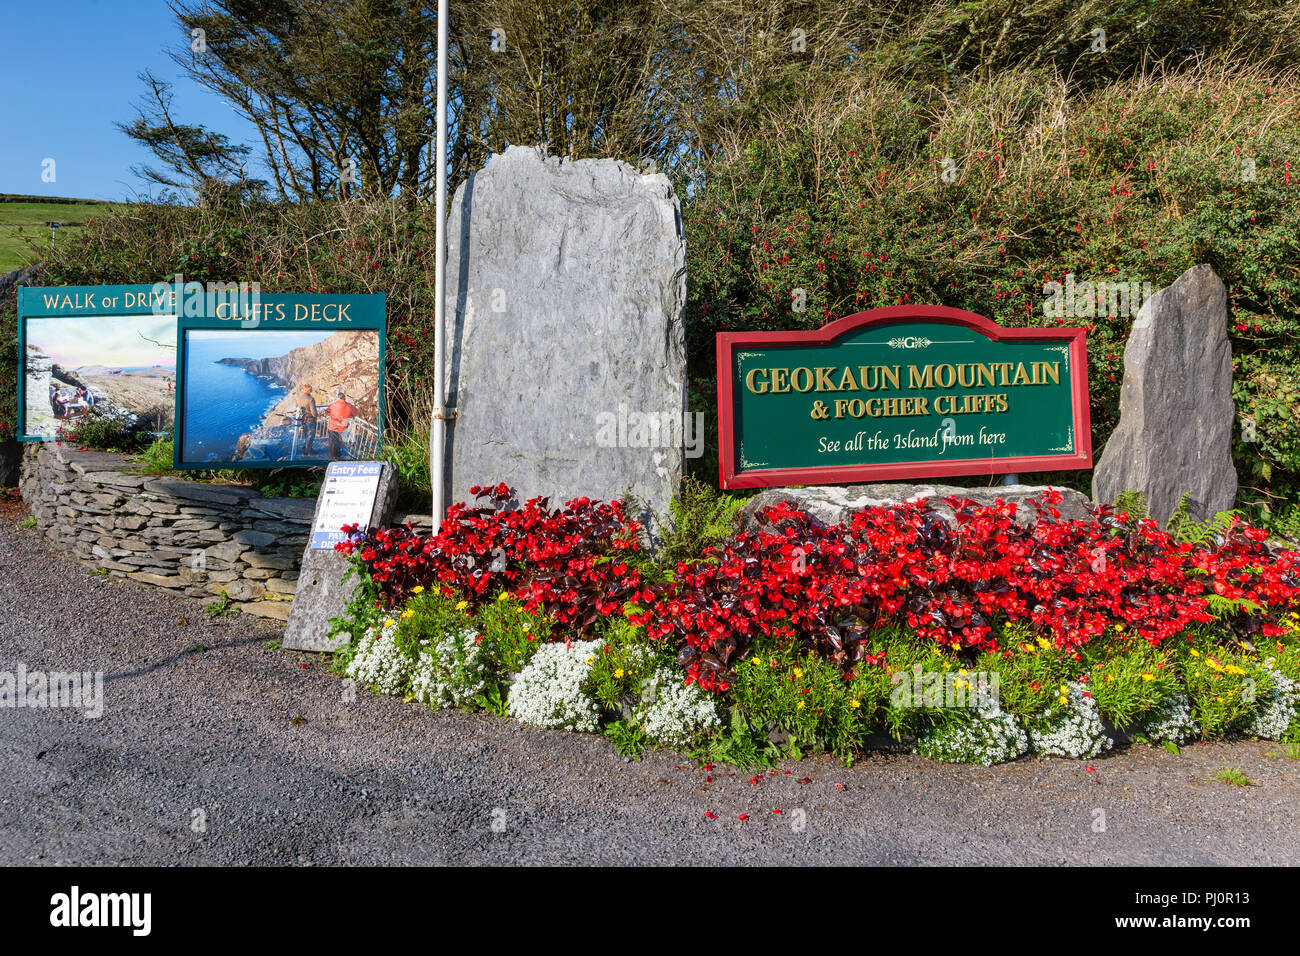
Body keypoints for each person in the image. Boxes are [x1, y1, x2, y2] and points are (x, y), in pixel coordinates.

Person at [326, 390, 359, 460]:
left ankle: (334, 456)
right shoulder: (349, 405)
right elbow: (356, 412)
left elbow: (327, 412)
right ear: (344, 398)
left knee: (333, 441)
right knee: (339, 440)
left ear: (337, 398)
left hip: (333, 426)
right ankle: (338, 453)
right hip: (343, 426)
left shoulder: (333, 405)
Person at [292, 383, 318, 454]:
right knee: (310, 435)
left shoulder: (297, 397)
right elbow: (314, 412)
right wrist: (317, 415)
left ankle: (305, 448)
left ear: (303, 390)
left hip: (302, 419)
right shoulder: (311, 399)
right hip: (310, 419)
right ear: (310, 391)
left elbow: (297, 407)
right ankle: (308, 450)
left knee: (307, 435)